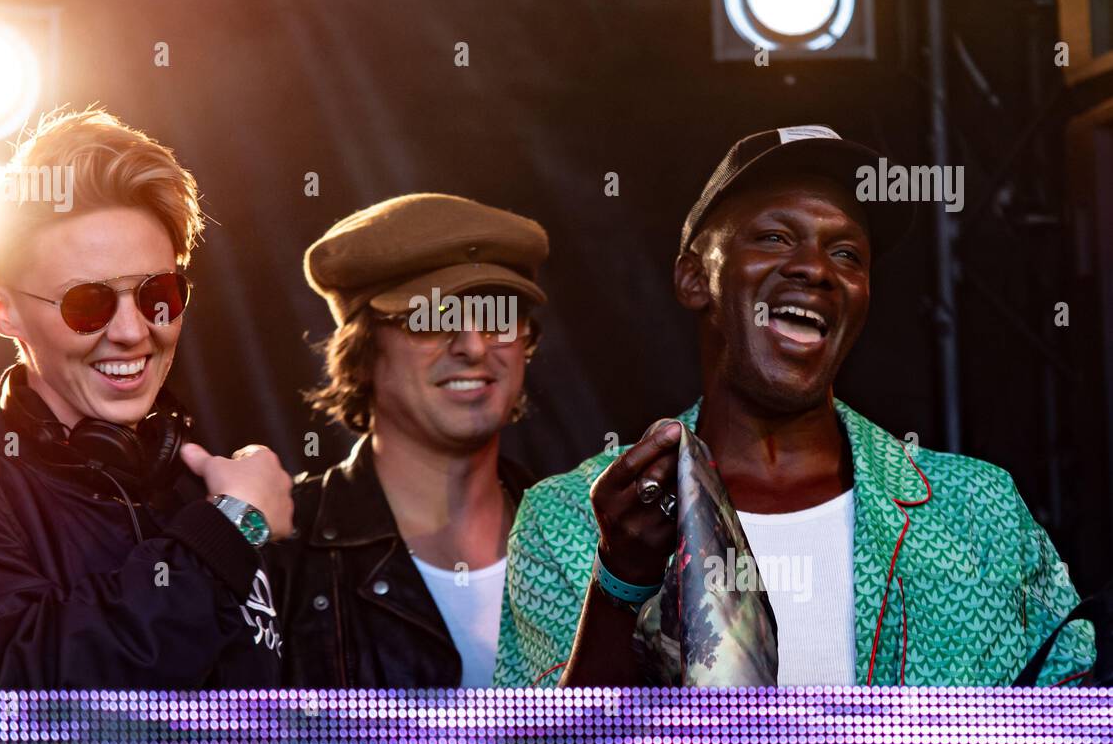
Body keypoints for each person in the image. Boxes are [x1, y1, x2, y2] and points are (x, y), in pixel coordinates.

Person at [496, 125, 1096, 688]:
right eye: (774, 238)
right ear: (693, 279)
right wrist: (621, 582)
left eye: (847, 254)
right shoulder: (566, 520)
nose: (814, 267)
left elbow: (1075, 732)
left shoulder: (979, 511)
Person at [0, 108, 294, 688]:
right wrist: (233, 531)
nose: (133, 331)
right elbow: (21, 704)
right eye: (88, 303)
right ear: (2, 310)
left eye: (157, 294)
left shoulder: (198, 488)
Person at [268, 193, 547, 687]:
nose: (473, 345)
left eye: (499, 316)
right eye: (432, 317)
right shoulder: (281, 552)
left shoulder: (590, 537)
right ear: (362, 348)